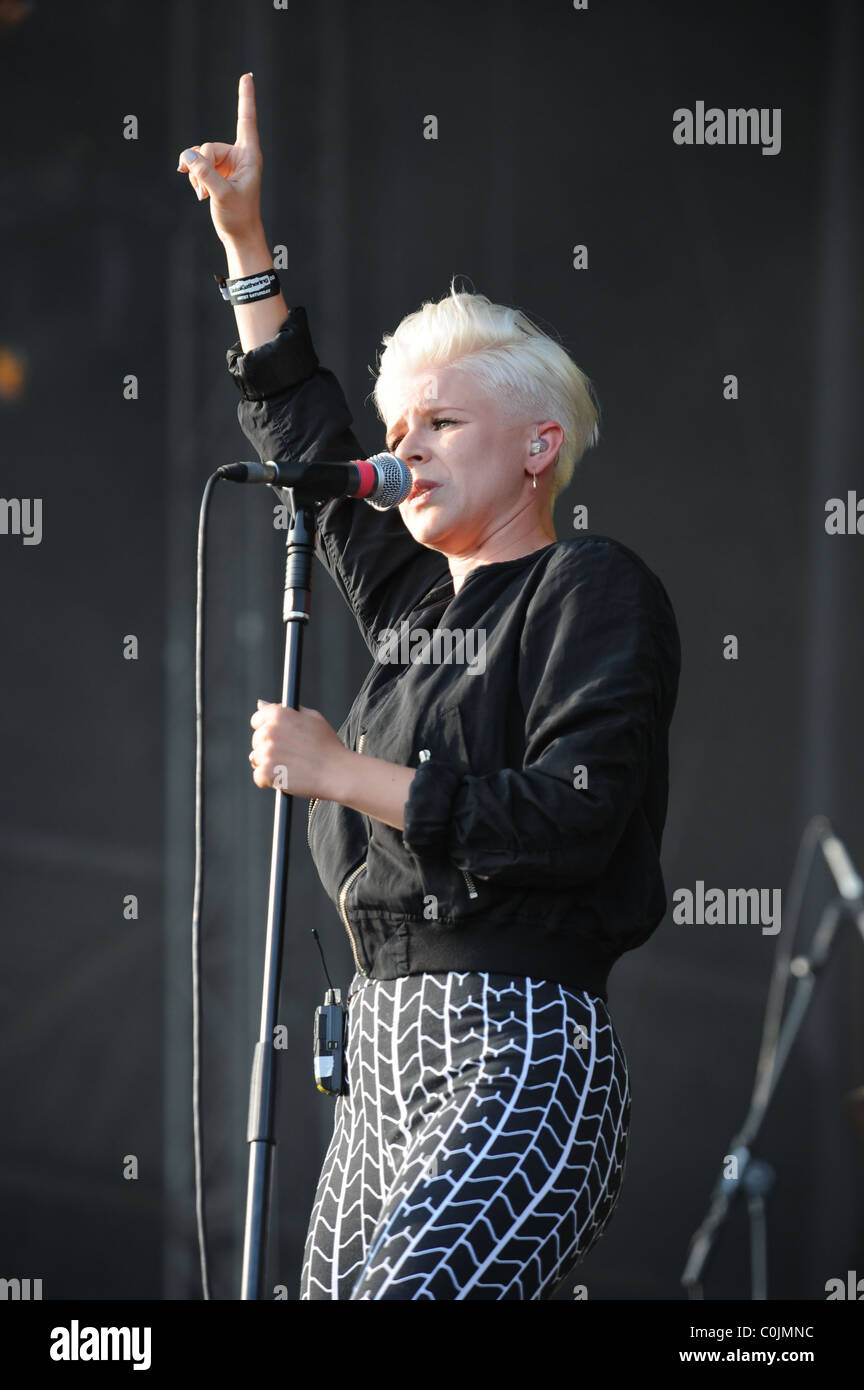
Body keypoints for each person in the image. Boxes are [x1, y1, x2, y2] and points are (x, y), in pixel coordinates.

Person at [177, 74, 681, 1301]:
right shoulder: (416, 611)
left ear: (538, 446)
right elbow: (307, 439)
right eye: (397, 429)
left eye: (441, 424)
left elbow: (572, 814)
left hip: (517, 1046)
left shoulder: (588, 586)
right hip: (377, 1064)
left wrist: (344, 772)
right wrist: (246, 243)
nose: (402, 450)